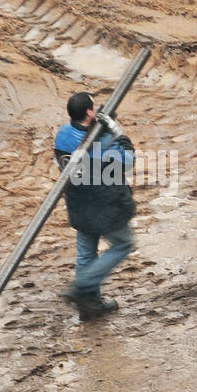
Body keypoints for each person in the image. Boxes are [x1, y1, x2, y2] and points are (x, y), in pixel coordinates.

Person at [53, 92, 136, 320]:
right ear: (90, 113)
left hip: (79, 205)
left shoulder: (62, 135)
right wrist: (116, 131)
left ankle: (89, 306)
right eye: (93, 107)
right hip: (107, 207)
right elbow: (129, 161)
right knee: (124, 244)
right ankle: (82, 287)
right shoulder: (104, 141)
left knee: (86, 254)